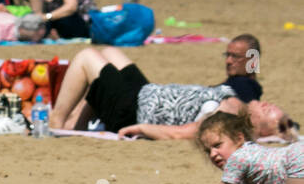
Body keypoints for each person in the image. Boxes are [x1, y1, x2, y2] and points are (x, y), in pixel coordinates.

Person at [47, 46, 292, 138]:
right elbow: (294, 130)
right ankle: (75, 125)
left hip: (132, 110)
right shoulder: (242, 101)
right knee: (109, 52)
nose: (270, 106)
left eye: (276, 120)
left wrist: (141, 129)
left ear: (260, 129)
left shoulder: (227, 120)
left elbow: (182, 133)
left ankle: (56, 124)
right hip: (146, 91)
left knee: (86, 57)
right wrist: (290, 130)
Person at [197, 111, 304, 184]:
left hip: (296, 161)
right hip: (297, 153)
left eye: (217, 145)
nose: (212, 154)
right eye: (208, 151)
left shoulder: (237, 158)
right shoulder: (251, 154)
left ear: (239, 138)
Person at [222, 34, 263, 102]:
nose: (228, 61)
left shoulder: (242, 85)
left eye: (235, 56)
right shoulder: (234, 84)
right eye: (227, 55)